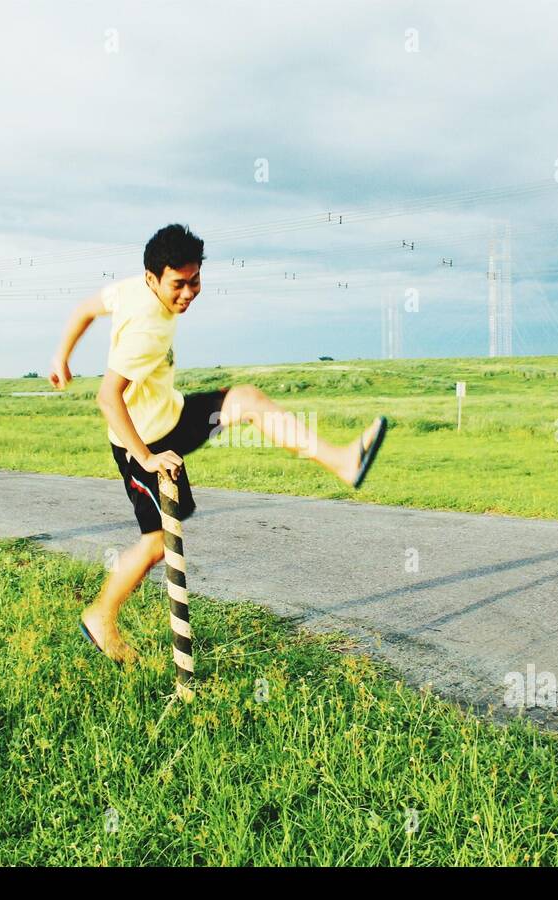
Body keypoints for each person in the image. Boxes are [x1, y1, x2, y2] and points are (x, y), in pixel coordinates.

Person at [50, 223, 387, 663]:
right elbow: (107, 398)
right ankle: (100, 617)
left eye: (195, 281)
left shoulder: (135, 288)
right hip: (141, 441)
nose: (188, 293)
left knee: (245, 399)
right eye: (178, 285)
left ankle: (342, 461)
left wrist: (61, 355)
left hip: (171, 416)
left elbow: (84, 308)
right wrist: (147, 458)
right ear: (153, 279)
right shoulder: (146, 329)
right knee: (156, 543)